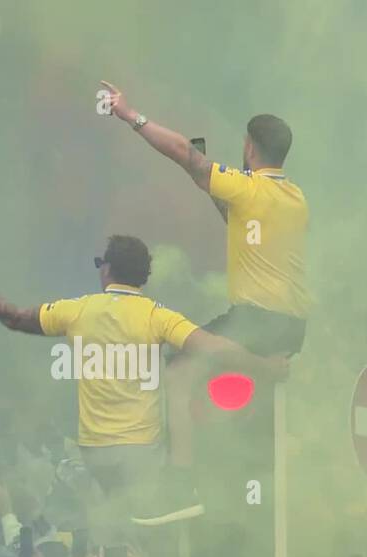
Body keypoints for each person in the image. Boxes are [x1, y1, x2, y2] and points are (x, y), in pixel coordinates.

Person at [0, 242, 285, 516]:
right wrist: (264, 367)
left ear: (107, 270)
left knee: (121, 524)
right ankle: (182, 487)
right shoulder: (156, 315)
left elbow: (12, 318)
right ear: (142, 278)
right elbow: (212, 349)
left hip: (95, 455)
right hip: (141, 455)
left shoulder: (76, 309)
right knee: (181, 372)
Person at [100, 83, 309, 523]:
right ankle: (226, 494)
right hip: (290, 326)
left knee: (178, 371)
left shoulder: (249, 188)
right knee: (219, 395)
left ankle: (181, 485)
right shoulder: (293, 198)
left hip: (259, 320)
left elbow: (185, 155)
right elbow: (239, 219)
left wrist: (130, 115)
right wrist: (214, 190)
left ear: (249, 148)